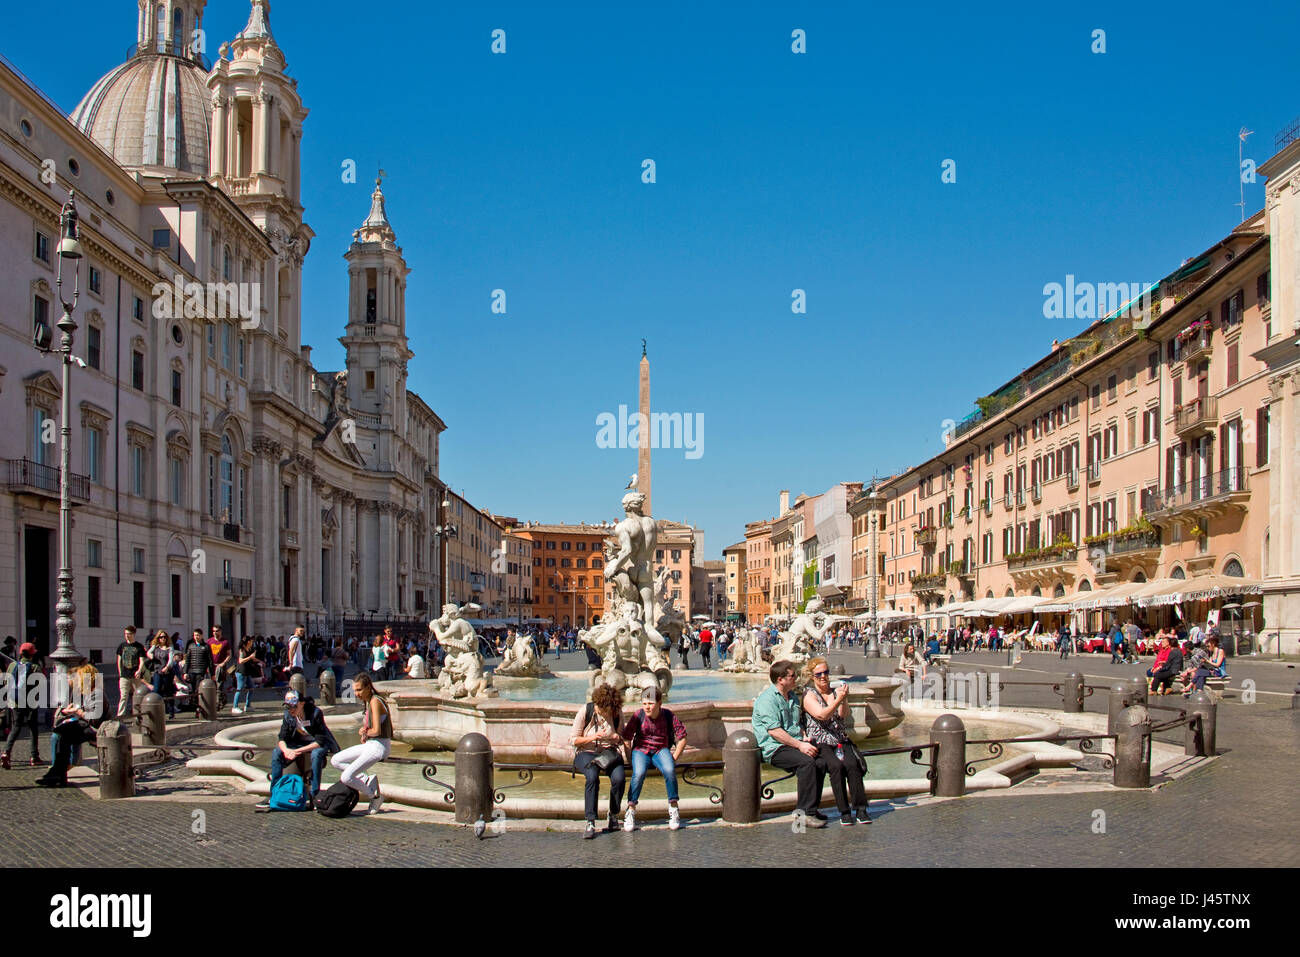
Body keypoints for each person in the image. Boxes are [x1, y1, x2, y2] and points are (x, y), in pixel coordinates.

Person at [751, 659, 833, 828]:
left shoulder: (793, 696)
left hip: (793, 743)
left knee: (821, 762)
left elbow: (796, 724)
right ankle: (803, 815)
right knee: (807, 763)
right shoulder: (767, 700)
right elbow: (775, 732)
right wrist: (800, 745)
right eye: (792, 675)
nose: (796, 678)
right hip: (774, 748)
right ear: (780, 679)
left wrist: (804, 737)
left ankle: (812, 808)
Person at [803, 658, 870, 824]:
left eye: (826, 672)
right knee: (836, 767)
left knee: (852, 765)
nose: (823, 676)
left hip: (840, 739)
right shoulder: (809, 694)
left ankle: (861, 809)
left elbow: (843, 715)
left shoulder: (835, 691)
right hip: (820, 741)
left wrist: (844, 698)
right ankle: (844, 811)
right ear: (812, 676)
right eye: (819, 674)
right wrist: (838, 700)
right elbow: (822, 715)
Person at [620, 686, 687, 832]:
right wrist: (629, 757)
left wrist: (674, 757)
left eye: (650, 704)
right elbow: (626, 737)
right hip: (640, 751)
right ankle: (630, 810)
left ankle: (674, 808)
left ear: (659, 703)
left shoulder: (668, 715)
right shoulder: (638, 715)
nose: (647, 707)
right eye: (644, 704)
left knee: (669, 770)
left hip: (660, 750)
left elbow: (682, 737)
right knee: (638, 774)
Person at [570, 682, 626, 839]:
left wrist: (616, 738)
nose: (604, 713)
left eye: (607, 710)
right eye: (602, 709)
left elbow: (622, 736)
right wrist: (592, 737)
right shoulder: (586, 711)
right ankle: (590, 820)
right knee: (592, 777)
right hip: (586, 752)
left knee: (619, 778)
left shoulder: (616, 712)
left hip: (609, 753)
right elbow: (573, 740)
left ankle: (613, 815)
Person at [329, 672, 389, 813]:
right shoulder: (369, 701)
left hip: (380, 747)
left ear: (368, 687)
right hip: (371, 744)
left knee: (346, 777)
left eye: (359, 690)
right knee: (336, 759)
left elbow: (377, 731)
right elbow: (372, 729)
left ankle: (374, 796)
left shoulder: (375, 701)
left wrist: (364, 732)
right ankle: (366, 780)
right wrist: (365, 731)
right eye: (355, 690)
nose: (356, 693)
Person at [267, 690, 339, 800]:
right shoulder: (288, 715)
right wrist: (286, 750)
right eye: (288, 706)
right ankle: (274, 792)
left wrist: (297, 751)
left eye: (294, 706)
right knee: (277, 752)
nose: (291, 710)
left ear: (302, 703)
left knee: (316, 755)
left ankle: (314, 793)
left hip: (316, 744)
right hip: (297, 743)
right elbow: (282, 738)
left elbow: (320, 741)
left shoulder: (315, 713)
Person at [2, 643, 45, 769]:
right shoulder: (35, 667)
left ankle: (6, 752)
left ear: (20, 653)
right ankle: (34, 757)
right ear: (32, 654)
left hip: (15, 702)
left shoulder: (12, 665)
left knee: (15, 727)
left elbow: (6, 682)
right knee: (33, 728)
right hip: (30, 703)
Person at [115, 626, 147, 717]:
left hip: (135, 676)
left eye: (129, 634)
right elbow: (119, 660)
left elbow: (142, 660)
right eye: (125, 634)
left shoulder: (139, 646)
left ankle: (138, 715)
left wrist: (139, 670)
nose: (127, 636)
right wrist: (120, 673)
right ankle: (120, 716)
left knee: (137, 697)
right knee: (123, 696)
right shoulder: (122, 646)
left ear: (133, 634)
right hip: (124, 676)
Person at [184, 628, 212, 710]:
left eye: (198, 635)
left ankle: (198, 707)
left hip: (201, 671)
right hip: (192, 671)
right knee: (192, 690)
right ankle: (194, 706)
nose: (196, 637)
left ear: (201, 636)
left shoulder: (206, 646)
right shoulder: (191, 646)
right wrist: (185, 672)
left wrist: (212, 673)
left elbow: (210, 661)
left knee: (198, 689)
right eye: (195, 635)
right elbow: (187, 660)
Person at [232, 638, 261, 713]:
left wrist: (260, 661)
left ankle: (248, 705)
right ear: (248, 642)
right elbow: (240, 661)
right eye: (251, 641)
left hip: (247, 672)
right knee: (240, 688)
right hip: (241, 672)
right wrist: (250, 657)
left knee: (251, 687)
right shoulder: (242, 650)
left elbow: (252, 659)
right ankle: (235, 706)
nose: (252, 643)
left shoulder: (250, 649)